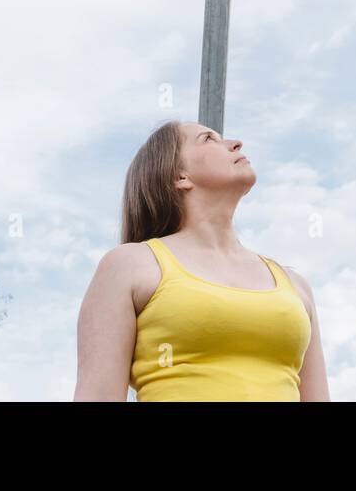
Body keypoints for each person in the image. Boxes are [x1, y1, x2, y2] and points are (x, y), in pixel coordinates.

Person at [73, 120, 330, 401]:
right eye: (208, 139)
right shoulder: (130, 265)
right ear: (179, 176)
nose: (235, 143)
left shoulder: (295, 285)